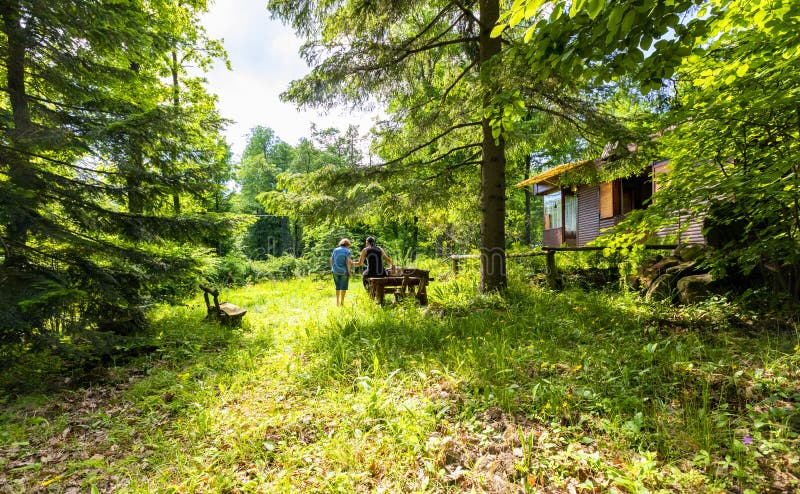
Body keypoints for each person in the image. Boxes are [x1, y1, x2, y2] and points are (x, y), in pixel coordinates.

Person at [329, 238, 353, 306]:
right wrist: (349, 272)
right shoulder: (347, 251)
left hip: (335, 271)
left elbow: (331, 259)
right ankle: (342, 303)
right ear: (347, 245)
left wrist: (332, 268)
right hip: (344, 271)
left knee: (338, 286)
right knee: (343, 287)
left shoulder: (335, 250)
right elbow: (348, 263)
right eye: (349, 245)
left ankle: (337, 302)